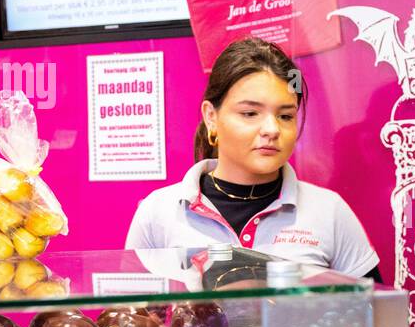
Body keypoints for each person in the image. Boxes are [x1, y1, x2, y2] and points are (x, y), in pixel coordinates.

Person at [126, 38, 381, 280]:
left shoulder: (328, 211)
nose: (272, 129)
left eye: (285, 116)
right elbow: (130, 319)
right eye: (250, 113)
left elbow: (374, 314)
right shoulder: (158, 212)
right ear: (211, 117)